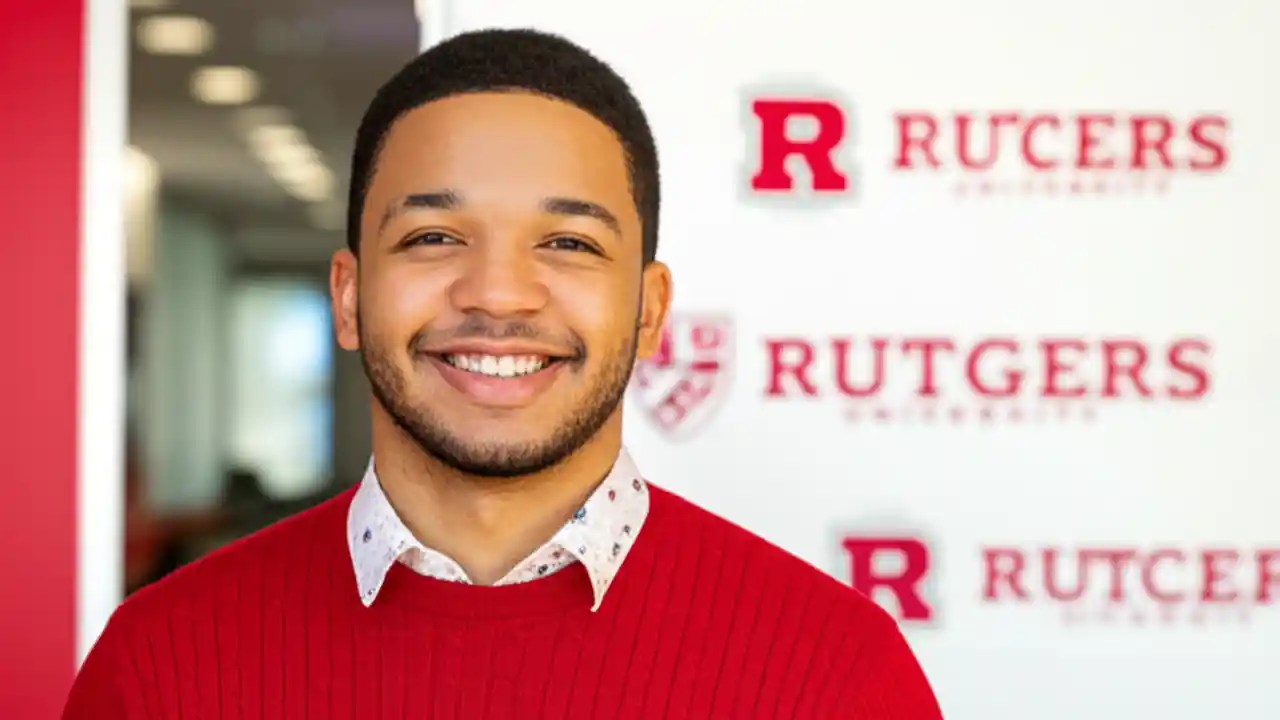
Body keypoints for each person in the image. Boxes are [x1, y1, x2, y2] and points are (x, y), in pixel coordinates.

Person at [64, 28, 943, 719]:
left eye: (568, 243)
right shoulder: (160, 666)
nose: (498, 294)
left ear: (648, 309)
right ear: (348, 295)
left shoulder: (837, 675)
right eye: (433, 238)